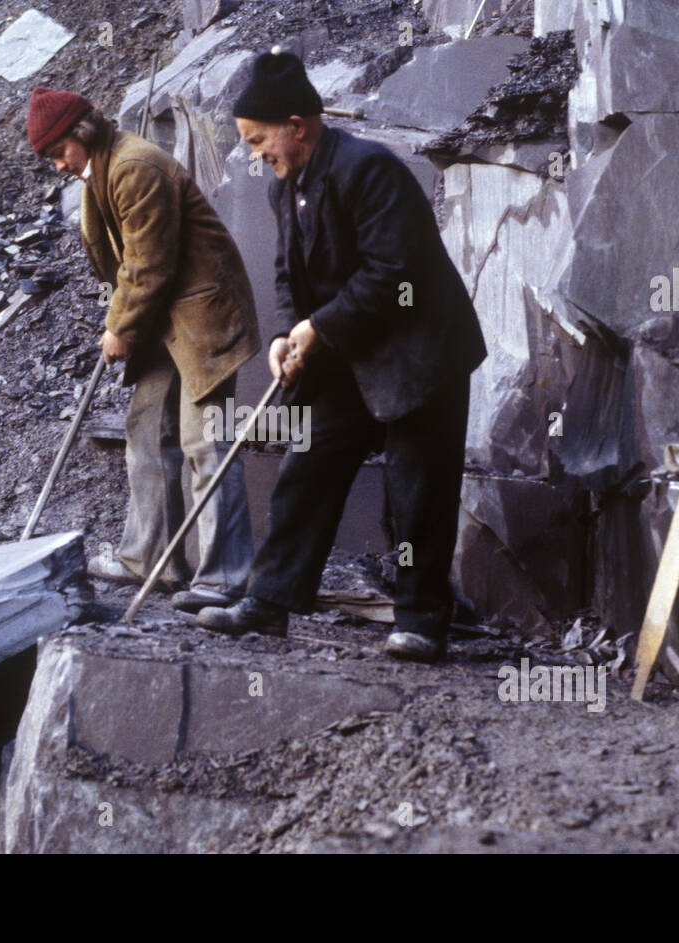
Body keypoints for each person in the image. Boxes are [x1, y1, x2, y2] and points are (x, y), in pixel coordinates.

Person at [195, 51, 487, 662]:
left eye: (259, 139)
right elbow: (287, 274)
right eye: (248, 143)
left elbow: (394, 274)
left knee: (417, 490)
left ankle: (422, 622)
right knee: (306, 468)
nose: (255, 154)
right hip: (348, 350)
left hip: (418, 353)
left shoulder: (369, 170)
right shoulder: (287, 187)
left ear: (297, 125)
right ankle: (270, 602)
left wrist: (318, 327)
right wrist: (285, 333)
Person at [27, 87, 260, 613]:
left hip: (202, 320)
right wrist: (128, 324)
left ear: (81, 133)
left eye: (58, 152)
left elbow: (148, 264)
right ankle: (149, 557)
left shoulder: (135, 166)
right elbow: (130, 262)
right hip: (162, 324)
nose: (59, 166)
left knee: (207, 443)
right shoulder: (101, 170)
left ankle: (226, 578)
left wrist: (119, 326)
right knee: (147, 431)